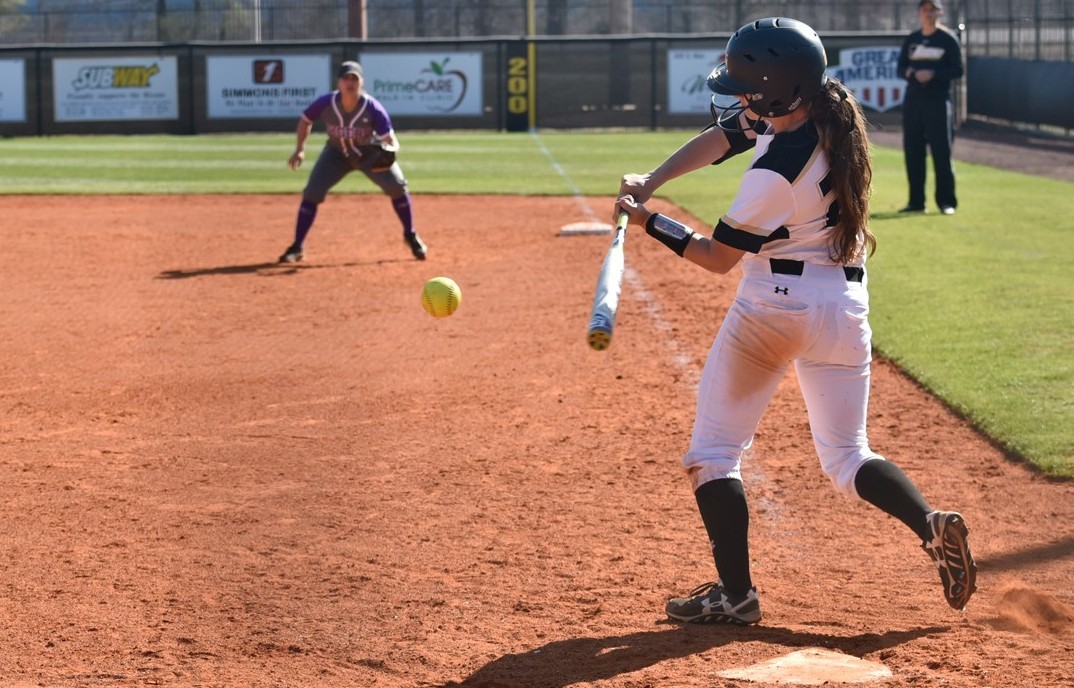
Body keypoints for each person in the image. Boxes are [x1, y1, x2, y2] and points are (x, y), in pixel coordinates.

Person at [615, 17, 976, 625]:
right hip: (844, 306)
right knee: (847, 455)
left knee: (713, 452)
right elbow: (724, 136)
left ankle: (736, 595)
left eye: (746, 87)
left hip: (774, 307)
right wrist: (652, 181)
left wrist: (650, 219)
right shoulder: (823, 114)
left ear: (775, 89)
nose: (738, 98)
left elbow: (717, 259)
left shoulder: (774, 171)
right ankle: (928, 524)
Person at [280, 60, 427, 263]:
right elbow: (306, 120)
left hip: (369, 155)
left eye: (354, 78)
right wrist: (300, 149)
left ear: (362, 82)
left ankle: (410, 235)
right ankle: (297, 247)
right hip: (336, 154)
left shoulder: (373, 108)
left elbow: (391, 140)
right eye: (346, 78)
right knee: (312, 192)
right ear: (338, 83)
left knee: (397, 186)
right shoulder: (326, 103)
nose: (350, 82)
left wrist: (391, 151)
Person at [897, 0, 964, 215]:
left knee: (941, 153)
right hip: (914, 102)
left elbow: (957, 70)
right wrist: (911, 73)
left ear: (940, 12)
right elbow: (901, 67)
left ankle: (946, 202)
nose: (928, 13)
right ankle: (916, 202)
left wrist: (933, 74)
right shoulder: (913, 39)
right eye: (925, 9)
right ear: (919, 13)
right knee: (913, 152)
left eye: (932, 9)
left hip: (937, 101)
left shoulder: (948, 40)